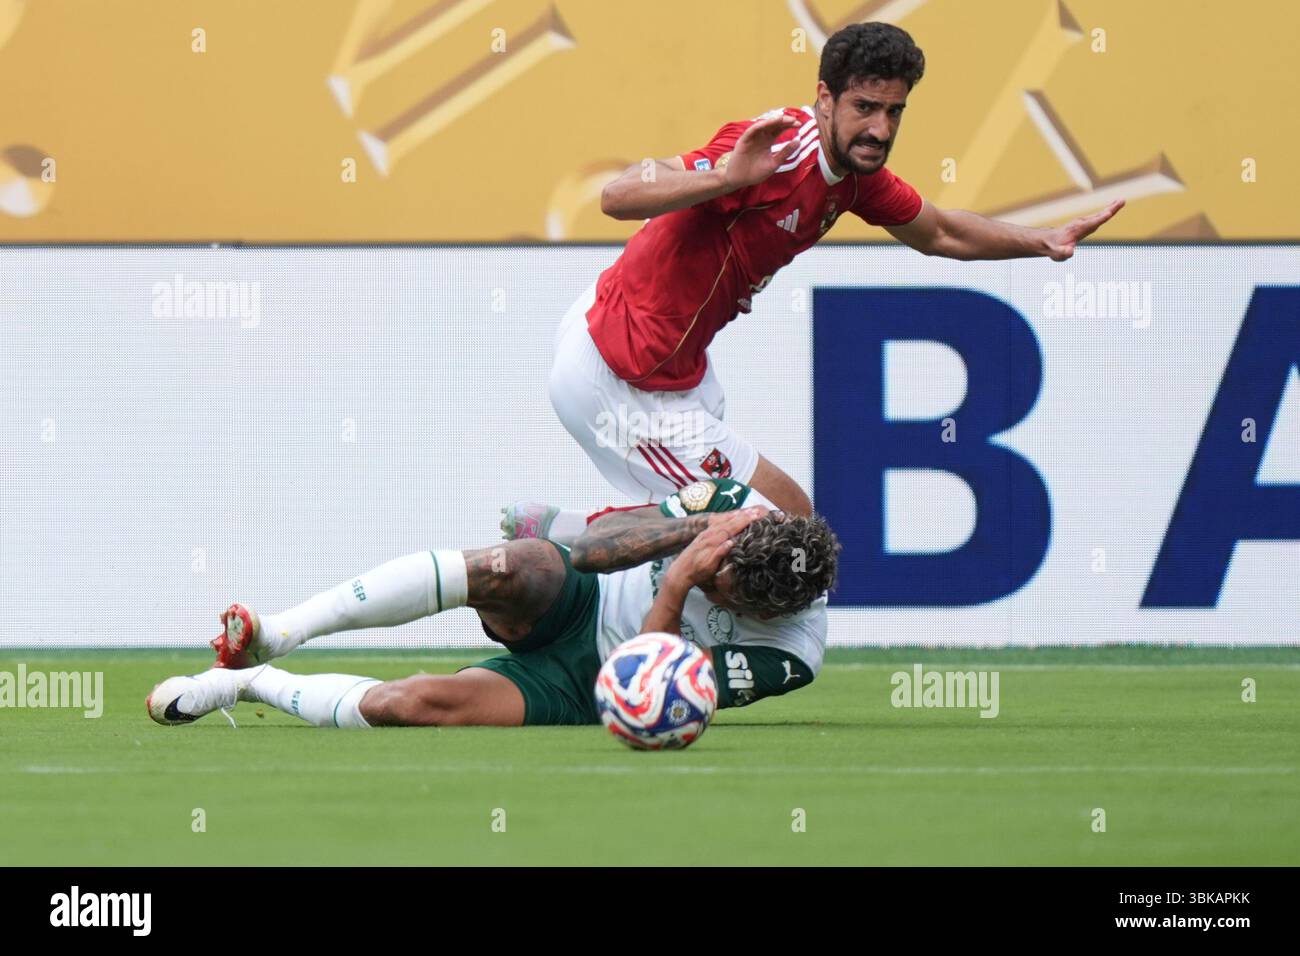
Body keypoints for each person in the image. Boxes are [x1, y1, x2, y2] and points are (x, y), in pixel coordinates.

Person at [547, 21, 1124, 517]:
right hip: (619, 376)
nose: (881, 130)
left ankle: (562, 538)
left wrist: (1042, 240)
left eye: (895, 111)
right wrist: (725, 177)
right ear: (826, 97)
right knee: (779, 531)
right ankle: (568, 558)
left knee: (723, 535)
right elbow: (617, 196)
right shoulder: (774, 152)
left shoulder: (854, 175)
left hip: (674, 368)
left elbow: (940, 231)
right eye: (865, 108)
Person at [146, 478, 839, 729]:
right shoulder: (733, 508)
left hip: (587, 688)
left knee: (410, 706)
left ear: (768, 611)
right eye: (716, 566)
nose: (711, 576)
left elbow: (640, 691)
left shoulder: (790, 658)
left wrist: (683, 578)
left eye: (723, 588)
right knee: (520, 564)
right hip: (581, 596)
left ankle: (252, 681)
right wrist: (693, 534)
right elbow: (592, 549)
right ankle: (281, 633)